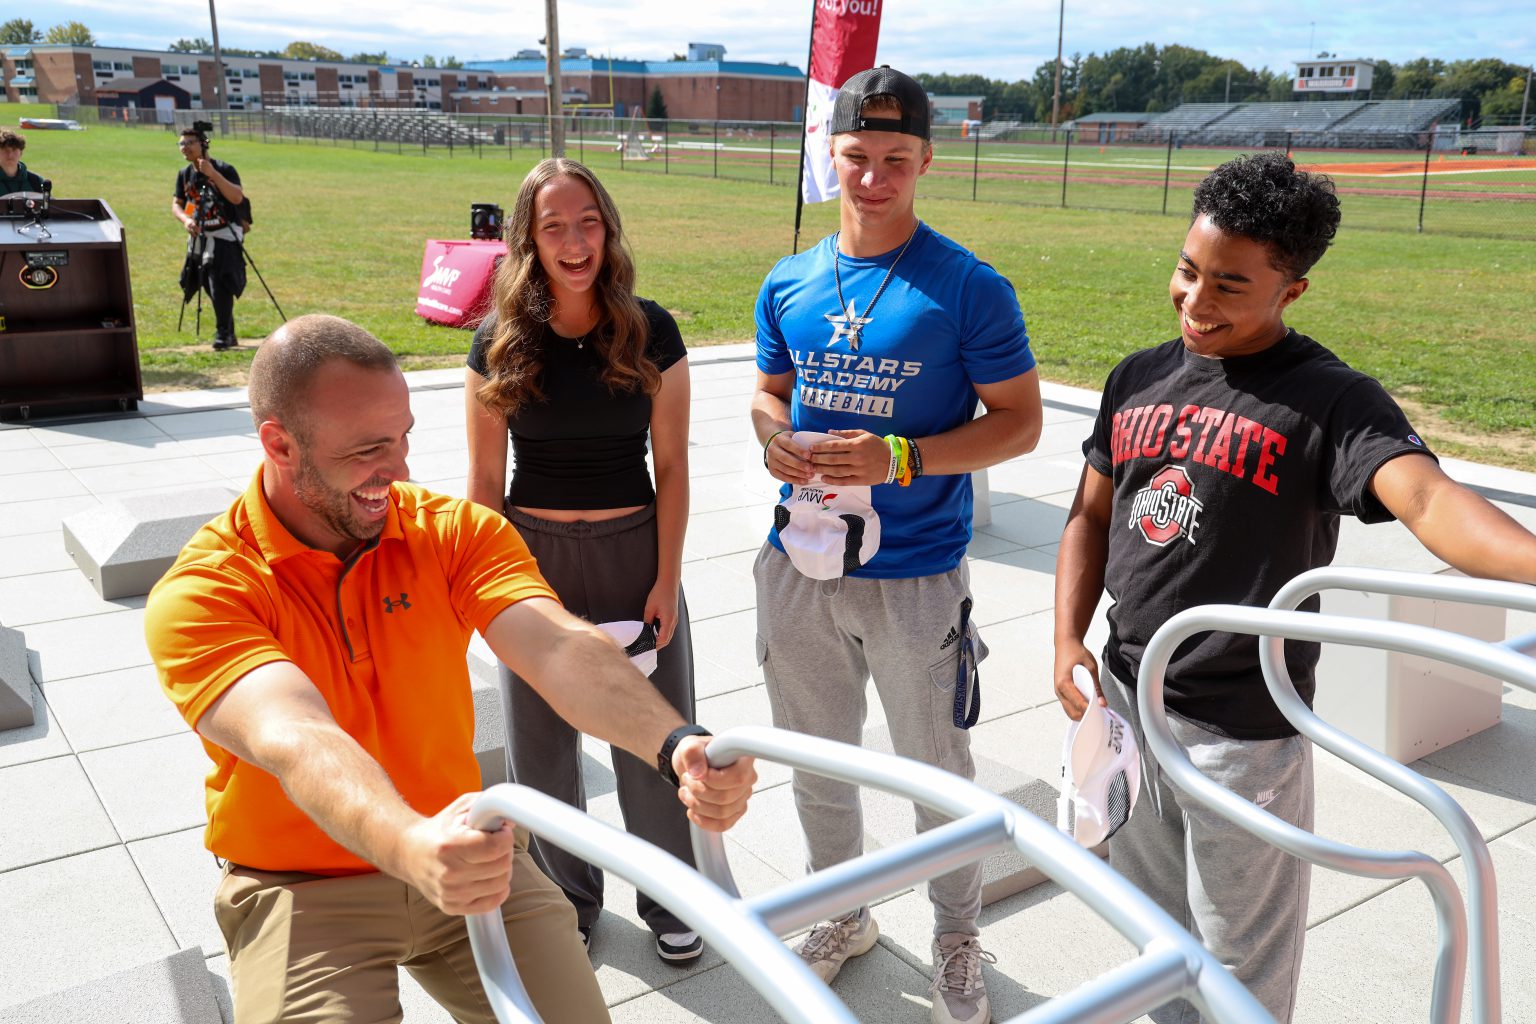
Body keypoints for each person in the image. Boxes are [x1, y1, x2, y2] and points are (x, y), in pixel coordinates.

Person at [145, 314, 756, 1024]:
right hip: (302, 886)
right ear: (280, 445)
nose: (400, 469)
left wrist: (674, 744)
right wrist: (408, 843)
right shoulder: (206, 591)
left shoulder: (450, 531)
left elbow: (559, 647)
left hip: (468, 849)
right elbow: (297, 736)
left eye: (403, 437)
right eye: (371, 449)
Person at [1053, 152, 1536, 1024]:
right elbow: (1089, 517)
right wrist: (1065, 640)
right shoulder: (1136, 377)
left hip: (1240, 732)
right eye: (1187, 270)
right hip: (1126, 698)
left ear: (1292, 291)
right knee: (1153, 933)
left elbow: (1427, 497)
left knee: (1239, 960)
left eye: (1230, 286)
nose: (1197, 301)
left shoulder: (1330, 401)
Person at [751, 66, 1042, 1024]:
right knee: (818, 759)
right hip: (798, 562)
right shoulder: (789, 278)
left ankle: (956, 937)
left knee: (933, 772)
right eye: (855, 158)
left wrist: (903, 456)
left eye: (892, 161)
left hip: (914, 575)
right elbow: (769, 389)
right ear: (829, 158)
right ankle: (841, 914)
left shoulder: (968, 286)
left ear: (925, 160)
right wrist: (772, 436)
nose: (872, 179)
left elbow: (1020, 423)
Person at [464, 157, 703, 962]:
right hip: (528, 562)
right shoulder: (497, 342)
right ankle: (569, 901)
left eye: (588, 222)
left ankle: (672, 897)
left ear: (609, 228)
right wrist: (481, 596)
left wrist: (665, 576)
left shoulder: (651, 329)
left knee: (655, 734)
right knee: (541, 751)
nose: (575, 241)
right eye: (555, 225)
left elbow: (672, 467)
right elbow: (481, 484)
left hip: (635, 550)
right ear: (529, 237)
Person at [173, 122, 246, 351]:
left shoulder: (224, 169)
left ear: (203, 144)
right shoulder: (184, 174)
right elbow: (178, 204)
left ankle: (223, 333)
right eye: (181, 143)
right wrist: (186, 220)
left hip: (225, 235)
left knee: (219, 282)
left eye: (190, 143)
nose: (185, 147)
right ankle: (229, 331)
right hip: (201, 236)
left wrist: (213, 174)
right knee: (204, 281)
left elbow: (236, 198)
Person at [0, 129, 44, 195]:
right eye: (5, 149)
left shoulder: (36, 181)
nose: (10, 154)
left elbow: (49, 204)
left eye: (14, 149)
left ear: (21, 153)